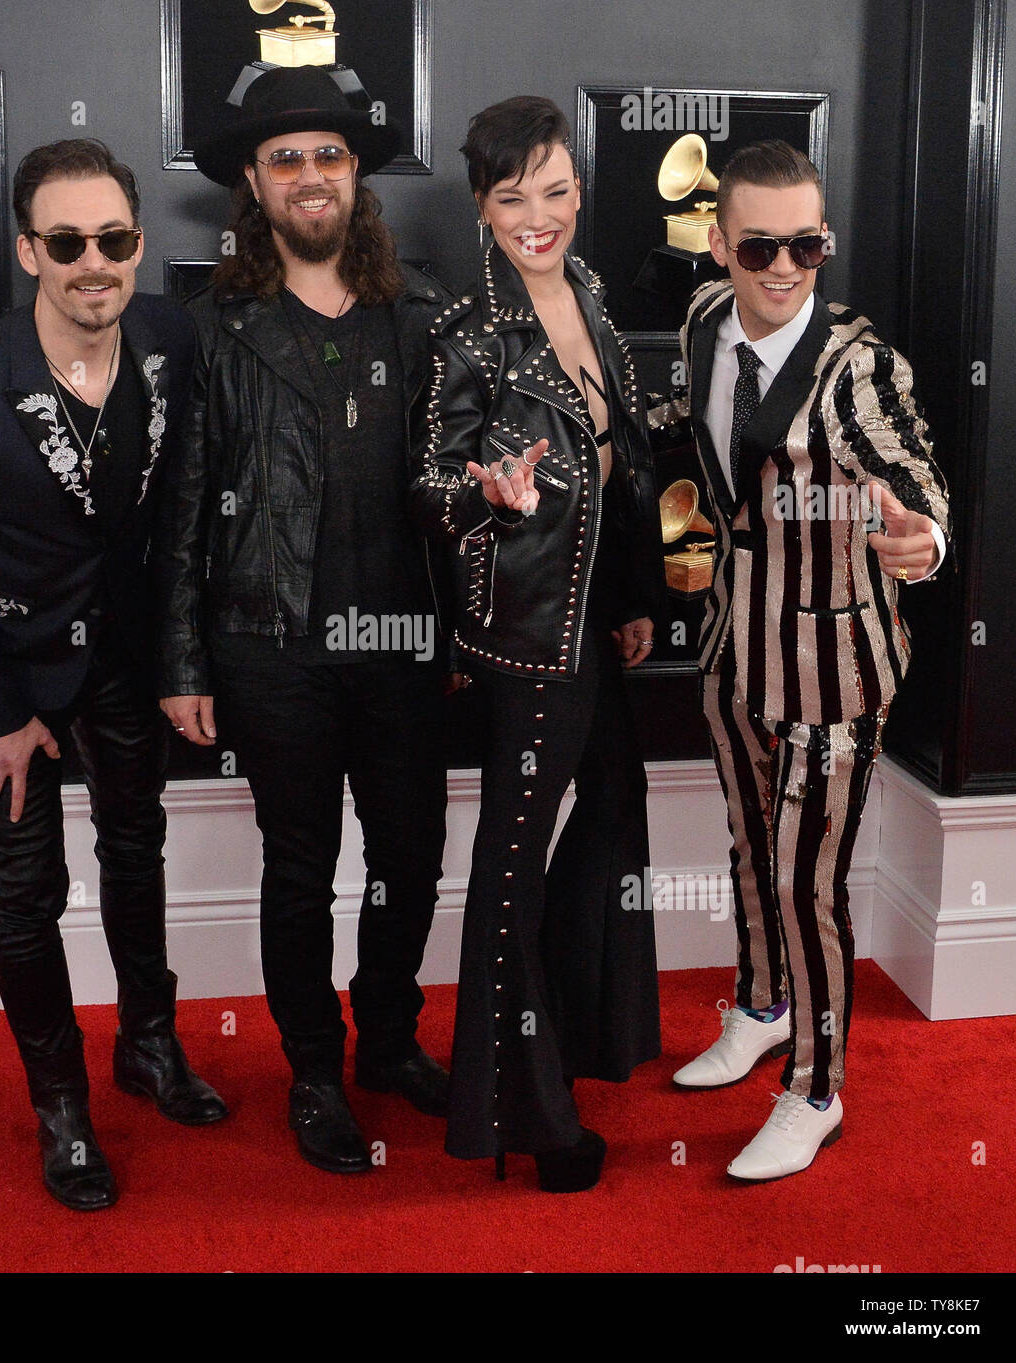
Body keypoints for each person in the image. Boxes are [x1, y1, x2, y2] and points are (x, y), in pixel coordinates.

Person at [0, 139, 227, 1212]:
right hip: (16, 679)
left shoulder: (171, 337)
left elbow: (182, 507)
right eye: (70, 242)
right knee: (26, 893)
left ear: (137, 244)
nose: (97, 262)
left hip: (129, 660)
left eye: (116, 239)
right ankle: (62, 1109)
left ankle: (150, 1046)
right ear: (30, 250)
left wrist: (181, 650)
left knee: (141, 856)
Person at [161, 65, 454, 1174]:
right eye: (285, 157)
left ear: (355, 176)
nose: (309, 174)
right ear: (253, 181)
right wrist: (183, 659)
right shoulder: (213, 329)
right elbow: (185, 504)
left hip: (403, 644)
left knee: (411, 859)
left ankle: (386, 1042)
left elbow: (462, 490)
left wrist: (465, 633)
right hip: (270, 645)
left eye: (327, 155)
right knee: (300, 867)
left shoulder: (422, 312)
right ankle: (316, 1075)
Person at [658, 140, 950, 1179]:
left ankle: (815, 1088)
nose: (784, 268)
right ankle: (762, 1006)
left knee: (806, 884)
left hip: (834, 667)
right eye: (760, 245)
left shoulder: (856, 367)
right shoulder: (701, 322)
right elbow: (695, 434)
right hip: (735, 645)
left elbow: (917, 478)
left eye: (808, 245)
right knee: (747, 847)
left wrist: (921, 543)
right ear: (719, 243)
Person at [411, 96, 664, 1192]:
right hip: (522, 633)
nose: (537, 217)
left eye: (554, 192)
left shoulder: (594, 295)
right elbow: (426, 485)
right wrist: (487, 501)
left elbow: (627, 452)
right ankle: (529, 1115)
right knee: (508, 868)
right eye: (512, 197)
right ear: (481, 204)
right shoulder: (467, 332)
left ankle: (569, 1034)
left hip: (597, 615)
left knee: (611, 814)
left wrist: (636, 591)